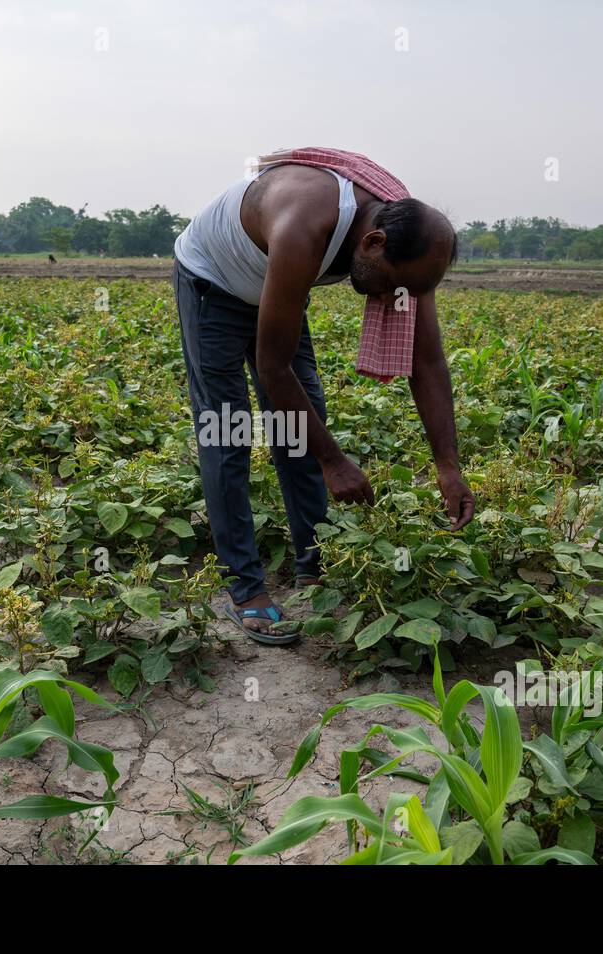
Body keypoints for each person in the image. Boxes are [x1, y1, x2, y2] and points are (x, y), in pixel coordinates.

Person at [172, 147, 476, 645]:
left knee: (298, 427)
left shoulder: (410, 248)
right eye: (392, 287)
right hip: (213, 283)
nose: (391, 300)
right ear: (372, 243)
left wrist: (448, 465)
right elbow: (273, 366)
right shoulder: (304, 225)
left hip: (276, 287)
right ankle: (244, 587)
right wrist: (334, 461)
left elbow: (427, 360)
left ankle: (314, 567)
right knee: (227, 432)